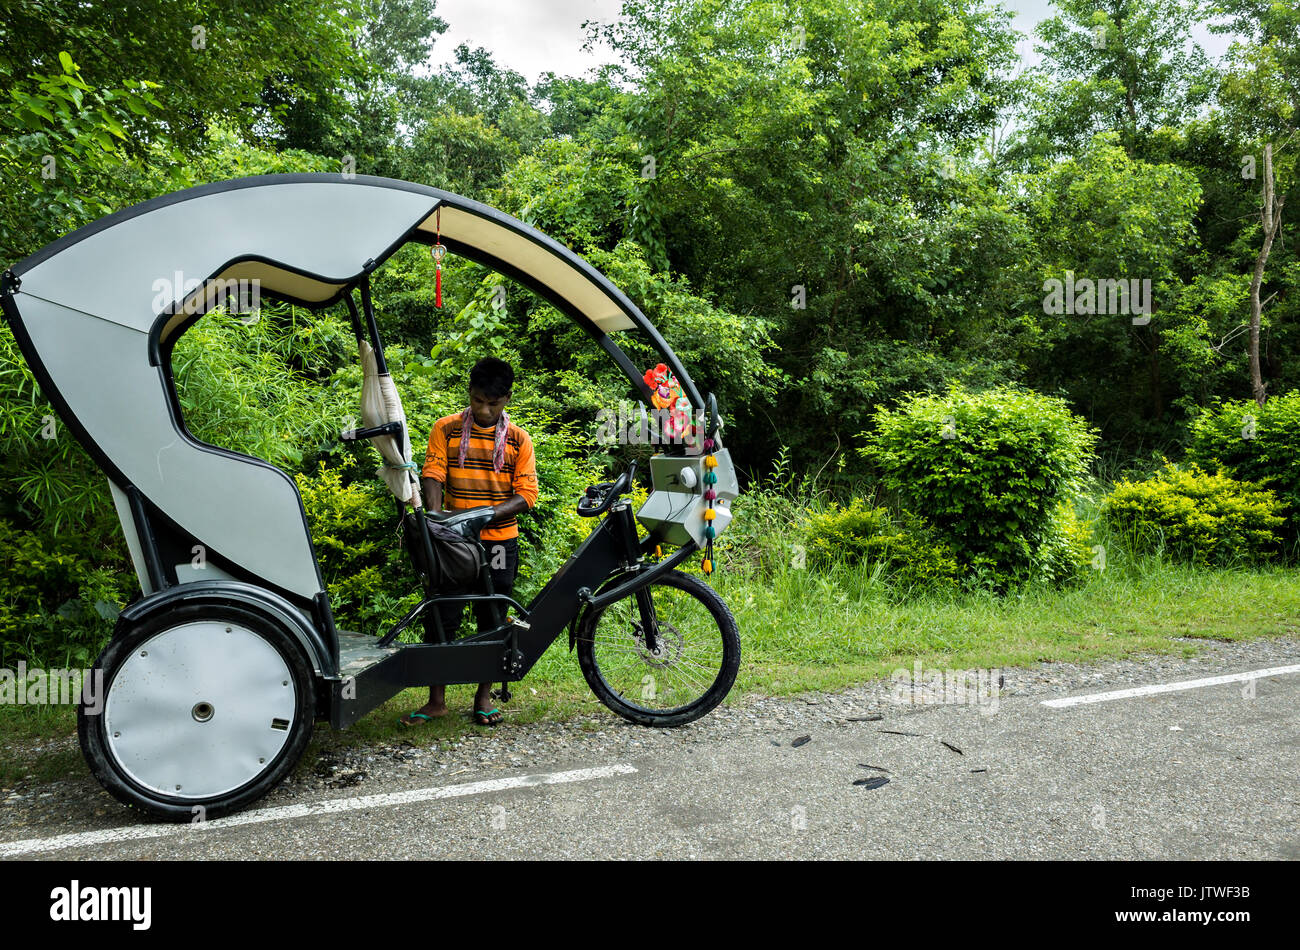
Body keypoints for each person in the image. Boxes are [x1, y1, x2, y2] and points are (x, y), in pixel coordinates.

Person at [400, 357, 538, 727]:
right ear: (470, 394)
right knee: (442, 614)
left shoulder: (519, 439)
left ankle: (483, 697)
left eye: (493, 403)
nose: (484, 409)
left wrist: (483, 516)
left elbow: (527, 494)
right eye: (478, 401)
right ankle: (436, 700)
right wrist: (436, 522)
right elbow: (432, 473)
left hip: (497, 543)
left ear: (507, 398)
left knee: (491, 618)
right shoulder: (445, 430)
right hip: (452, 542)